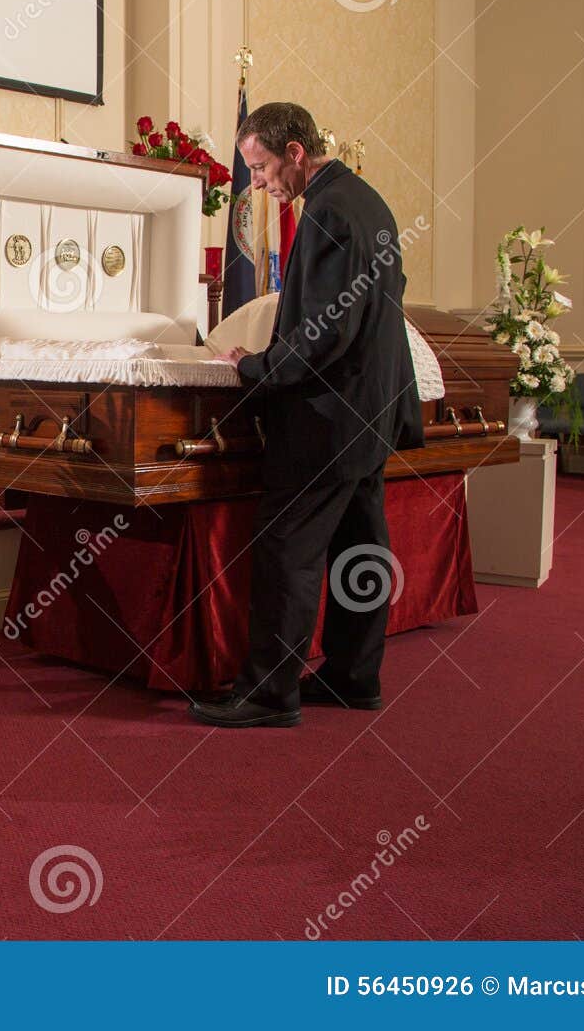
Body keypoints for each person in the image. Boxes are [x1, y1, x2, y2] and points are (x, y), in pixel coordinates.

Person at [191, 102, 423, 729]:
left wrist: (254, 367)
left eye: (262, 168)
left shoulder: (326, 211)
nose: (259, 183)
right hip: (371, 408)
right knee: (359, 546)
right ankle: (352, 677)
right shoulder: (365, 200)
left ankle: (270, 693)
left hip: (328, 414)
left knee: (286, 548)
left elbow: (325, 331)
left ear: (295, 152)